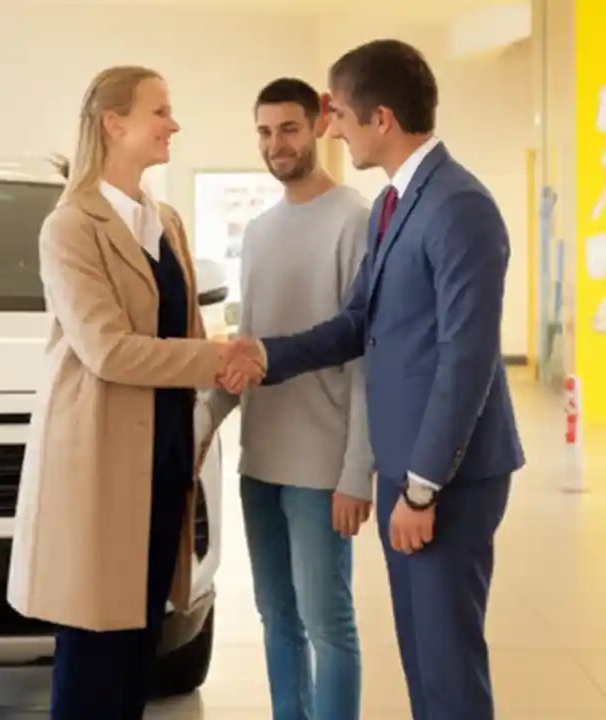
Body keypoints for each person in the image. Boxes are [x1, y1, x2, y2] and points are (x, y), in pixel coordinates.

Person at [221, 39, 525, 720]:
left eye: (340, 117)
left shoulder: (458, 206)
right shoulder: (398, 203)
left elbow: (467, 358)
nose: (333, 130)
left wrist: (420, 487)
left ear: (381, 119)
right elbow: (359, 322)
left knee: (448, 664)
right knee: (421, 655)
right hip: (406, 469)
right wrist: (266, 354)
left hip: (445, 477)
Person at [5, 65, 233, 719]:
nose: (174, 124)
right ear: (115, 123)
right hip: (99, 465)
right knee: (95, 647)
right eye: (161, 110)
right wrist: (218, 360)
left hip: (164, 461)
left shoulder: (166, 222)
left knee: (140, 648)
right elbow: (106, 349)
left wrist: (225, 367)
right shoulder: (71, 226)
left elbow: (185, 331)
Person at [198, 77, 373, 720]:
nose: (276, 145)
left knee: (329, 623)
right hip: (260, 461)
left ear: (321, 124)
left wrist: (358, 471)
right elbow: (250, 348)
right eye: (265, 132)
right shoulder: (261, 230)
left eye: (289, 129)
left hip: (322, 468)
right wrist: (205, 422)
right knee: (276, 616)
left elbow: (364, 356)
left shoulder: (354, 220)